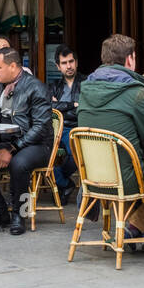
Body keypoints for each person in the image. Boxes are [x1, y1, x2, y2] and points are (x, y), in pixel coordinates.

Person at [78, 34, 144, 239]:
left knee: (133, 163)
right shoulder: (136, 92)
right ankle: (135, 226)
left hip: (92, 177)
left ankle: (137, 228)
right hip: (126, 179)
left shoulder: (85, 88)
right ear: (130, 59)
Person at [0, 48, 52, 235]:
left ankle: (20, 214)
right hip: (8, 142)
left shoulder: (36, 87)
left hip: (37, 145)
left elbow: (41, 127)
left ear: (13, 66)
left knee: (19, 165)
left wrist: (12, 148)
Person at [49, 45, 81, 202]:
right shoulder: (54, 86)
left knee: (76, 154)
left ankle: (62, 182)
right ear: (58, 66)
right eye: (64, 63)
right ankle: (65, 183)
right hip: (56, 128)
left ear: (76, 62)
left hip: (76, 127)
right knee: (41, 154)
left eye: (71, 61)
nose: (68, 66)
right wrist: (72, 105)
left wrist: (60, 105)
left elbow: (83, 109)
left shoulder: (86, 83)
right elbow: (50, 108)